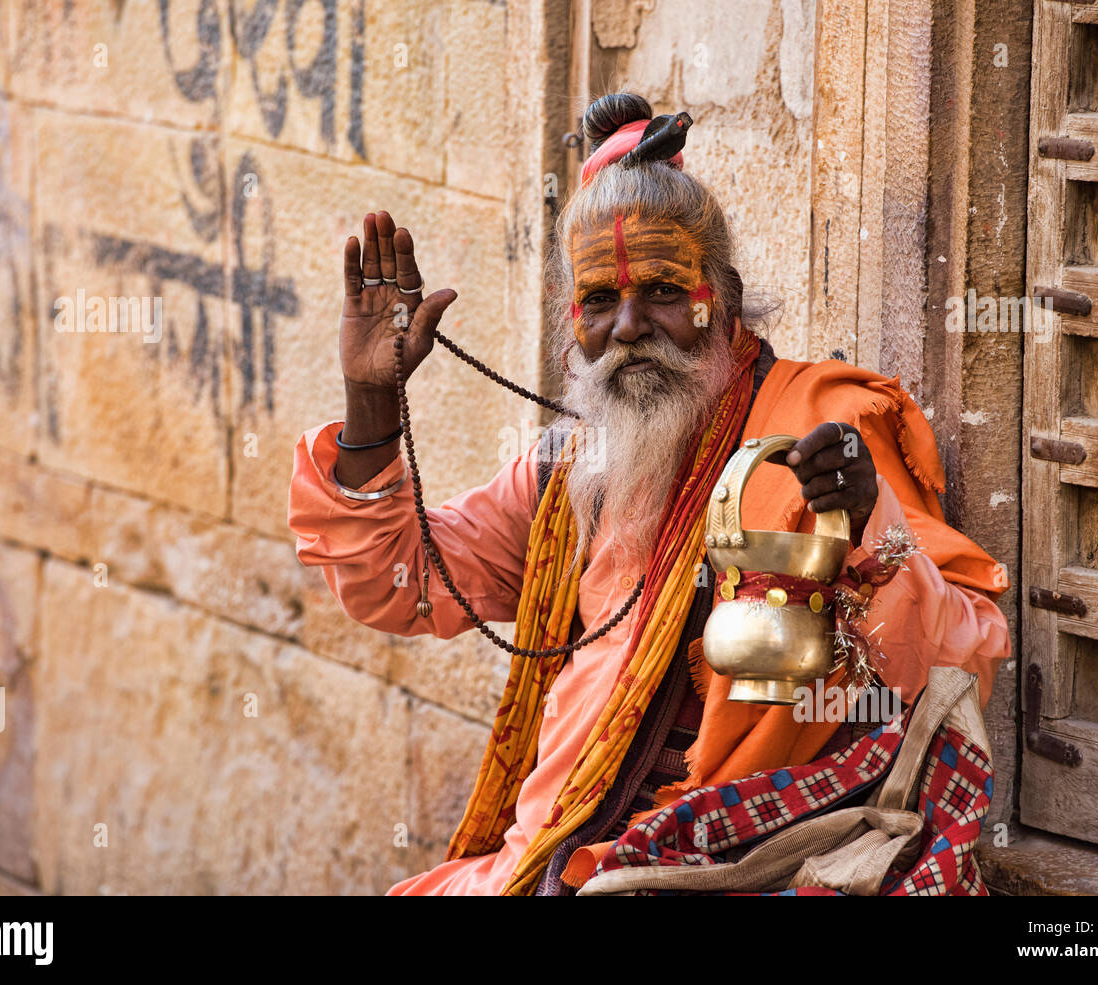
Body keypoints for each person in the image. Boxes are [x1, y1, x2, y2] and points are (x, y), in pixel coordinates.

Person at [287, 92, 1011, 896]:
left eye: (664, 291)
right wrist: (372, 401)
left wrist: (867, 521)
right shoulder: (572, 469)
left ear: (722, 298)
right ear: (575, 324)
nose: (629, 325)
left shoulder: (822, 427)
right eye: (601, 300)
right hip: (556, 850)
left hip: (744, 858)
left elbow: (962, 653)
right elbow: (403, 585)